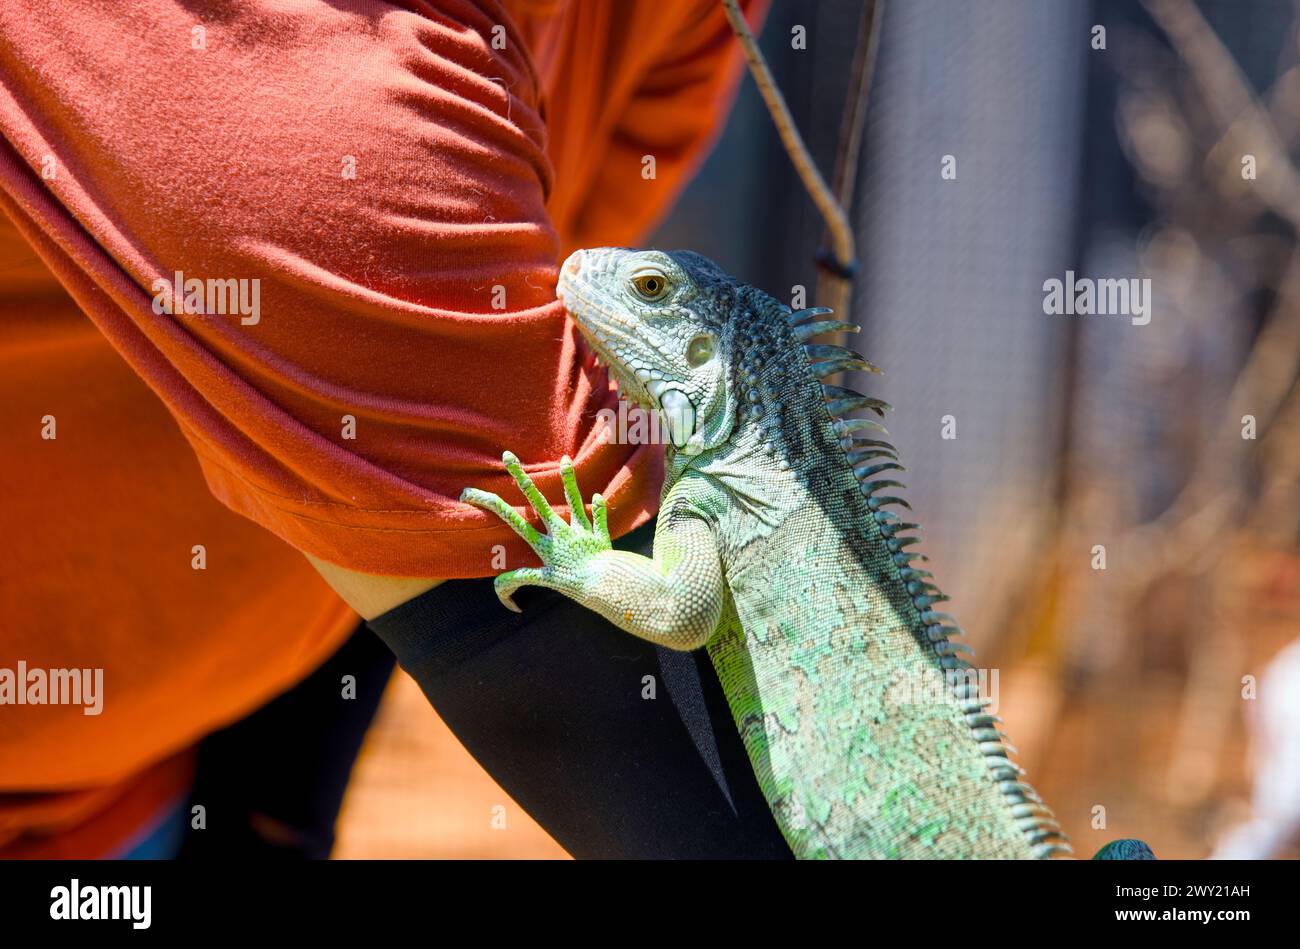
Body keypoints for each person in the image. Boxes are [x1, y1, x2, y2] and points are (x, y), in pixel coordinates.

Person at [0, 0, 790, 858]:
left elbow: (418, 455)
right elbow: (467, 500)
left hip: (156, 789)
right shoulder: (321, 118)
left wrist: (270, 820)